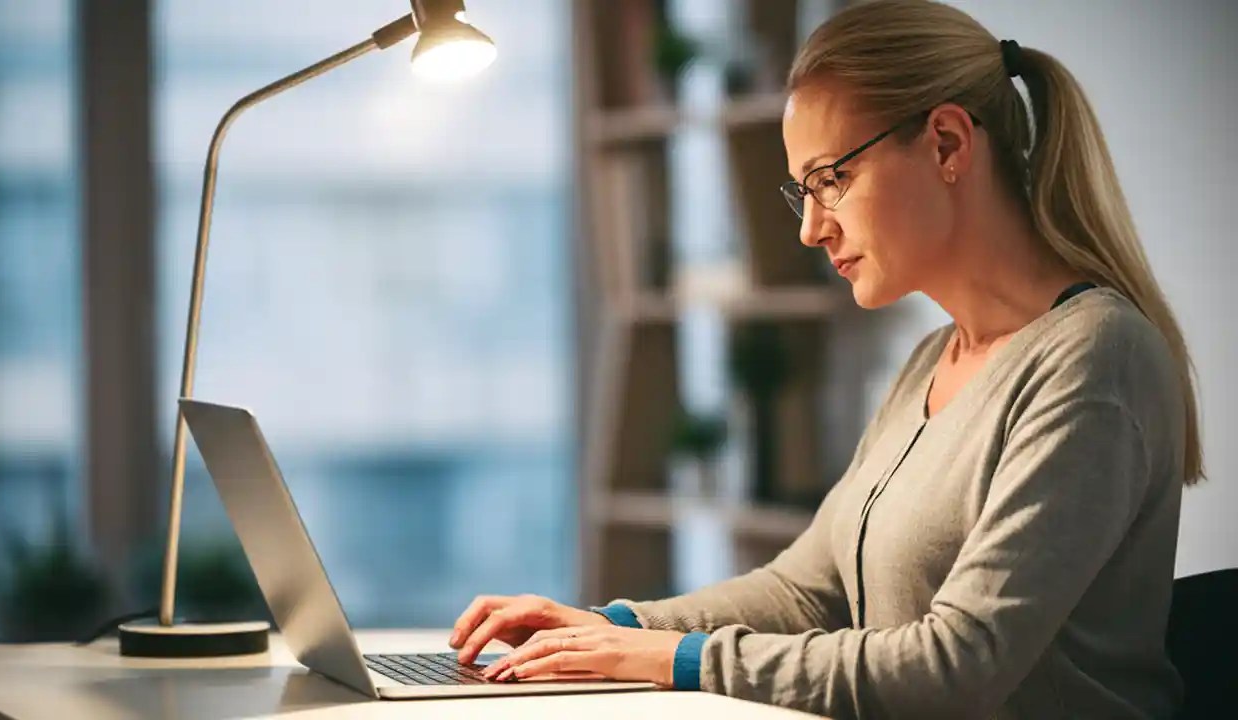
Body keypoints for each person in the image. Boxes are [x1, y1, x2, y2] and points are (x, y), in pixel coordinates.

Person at [446, 1, 1203, 717]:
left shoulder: (1094, 360)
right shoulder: (933, 361)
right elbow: (808, 591)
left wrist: (668, 656)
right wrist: (600, 625)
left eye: (830, 180)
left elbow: (957, 666)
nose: (811, 229)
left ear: (947, 144)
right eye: (800, 190)